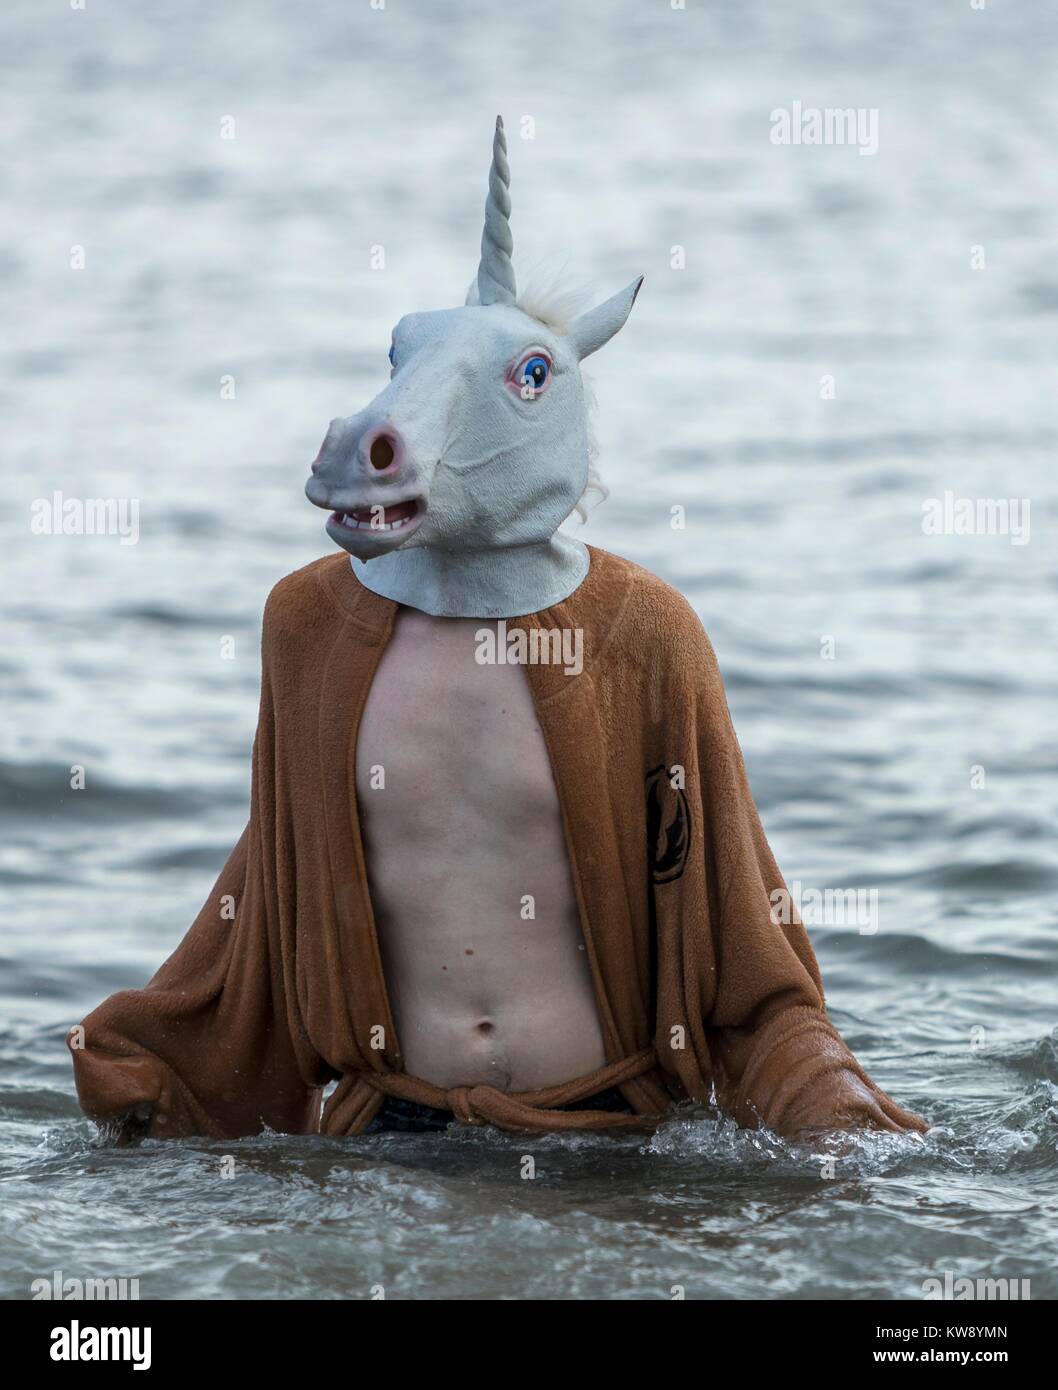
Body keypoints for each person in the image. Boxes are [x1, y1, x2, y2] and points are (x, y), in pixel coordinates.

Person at [69, 119, 926, 1143]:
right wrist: (152, 1070)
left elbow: (735, 926)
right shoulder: (307, 626)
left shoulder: (643, 633)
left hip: (608, 1140)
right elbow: (270, 887)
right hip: (391, 1138)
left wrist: (832, 1119)